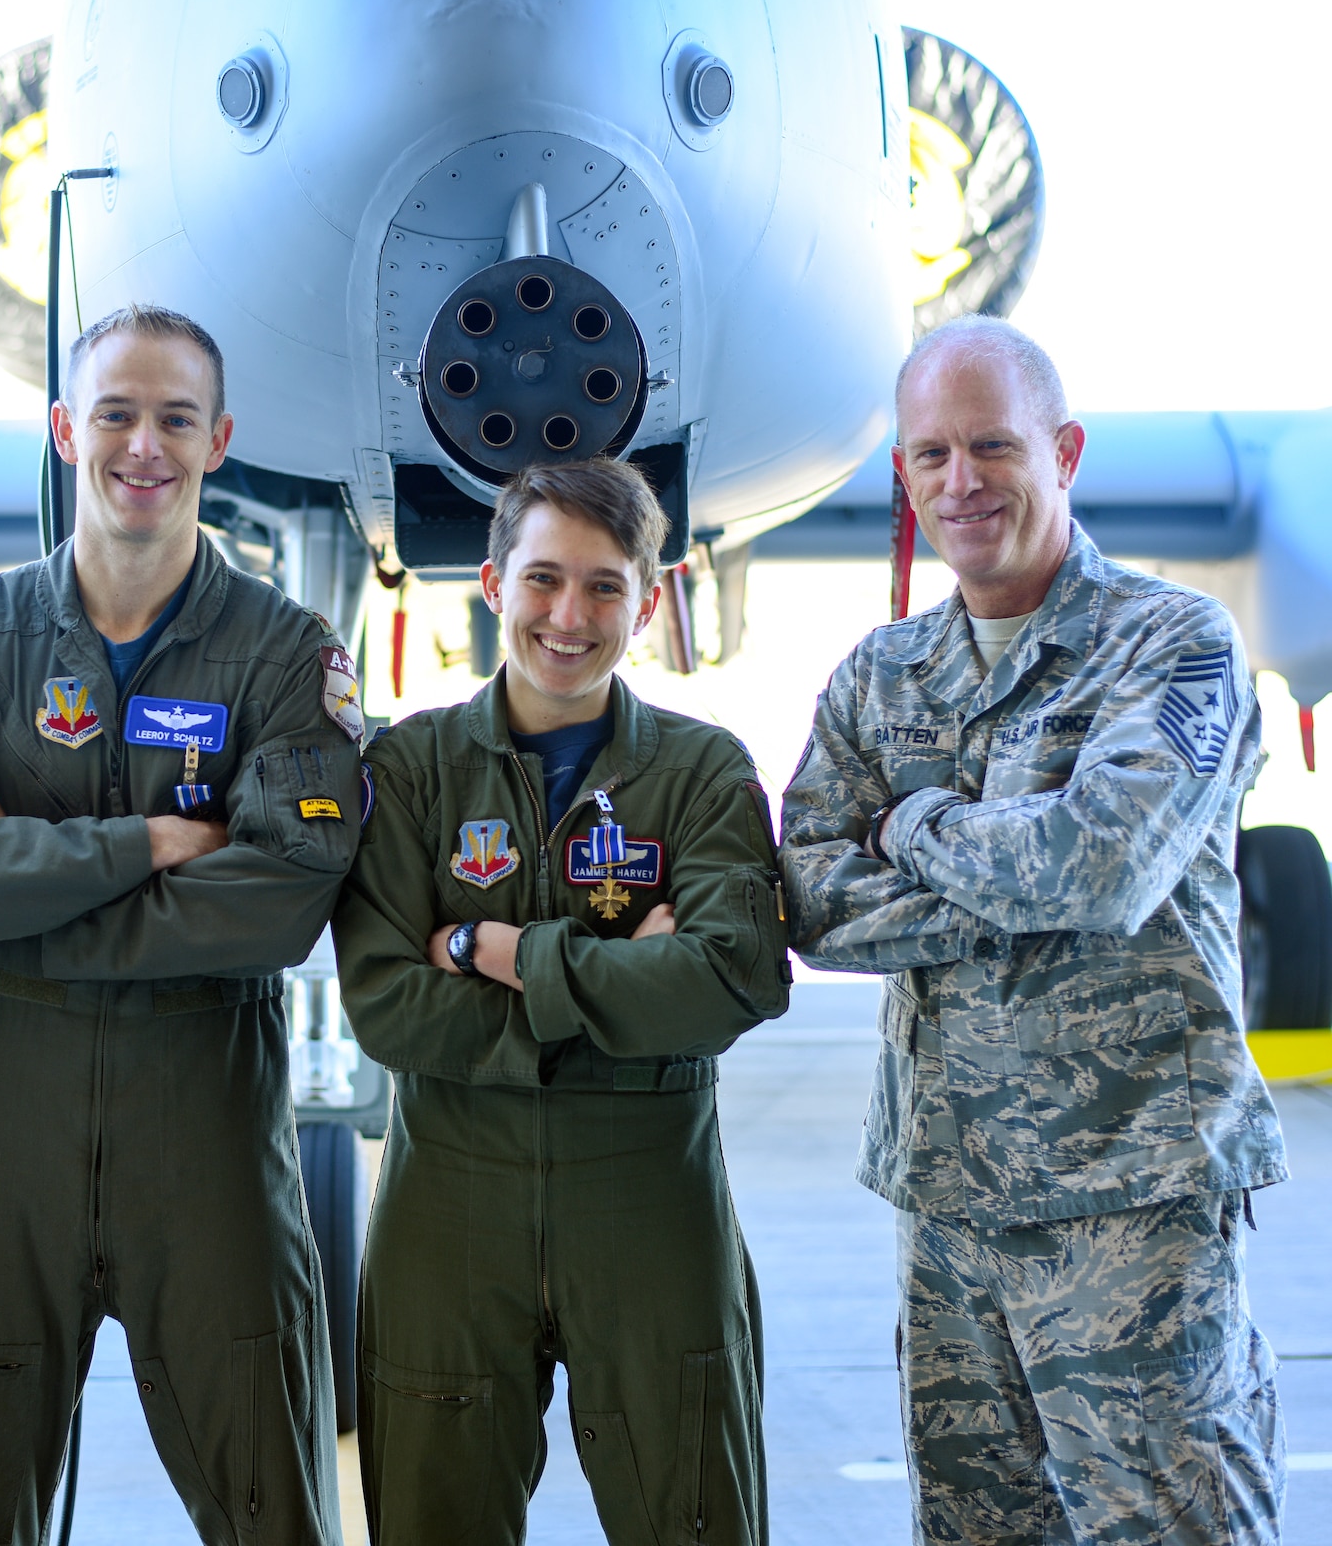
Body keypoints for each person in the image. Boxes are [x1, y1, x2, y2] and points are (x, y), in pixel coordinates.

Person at [781, 315, 1288, 1544]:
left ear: (1061, 450)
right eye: (930, 456)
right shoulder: (879, 675)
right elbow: (800, 891)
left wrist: (907, 827)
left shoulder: (1173, 646)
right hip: (947, 1214)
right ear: (903, 476)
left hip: (1131, 1206)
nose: (961, 483)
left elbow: (1096, 864)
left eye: (992, 446)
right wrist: (1008, 879)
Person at [0, 303, 362, 1546]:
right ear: (62, 430)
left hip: (203, 1122)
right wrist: (139, 845)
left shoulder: (282, 653)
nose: (142, 445)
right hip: (1, 1126)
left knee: (267, 1494)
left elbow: (282, 899)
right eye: (115, 415)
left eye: (174, 419)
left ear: (218, 440)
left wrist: (21, 897)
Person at [332, 458, 789, 1546]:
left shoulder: (699, 770)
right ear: (492, 584)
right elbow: (387, 1005)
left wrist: (492, 948)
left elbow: (733, 977)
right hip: (449, 1212)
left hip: (651, 1213)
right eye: (541, 580)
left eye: (602, 585)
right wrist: (618, 985)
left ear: (648, 596)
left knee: (695, 1520)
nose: (567, 616)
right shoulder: (410, 769)